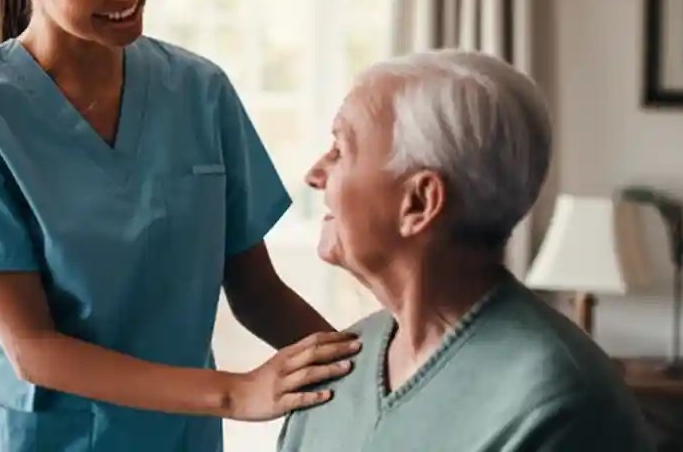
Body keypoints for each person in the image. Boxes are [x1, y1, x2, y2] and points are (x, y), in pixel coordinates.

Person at [0, 0, 359, 452]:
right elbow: (33, 349)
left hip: (176, 437)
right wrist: (235, 392)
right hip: (39, 438)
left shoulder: (200, 92)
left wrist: (378, 378)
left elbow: (256, 290)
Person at [278, 50, 654, 452]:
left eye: (339, 149)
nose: (314, 175)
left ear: (420, 203)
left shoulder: (560, 403)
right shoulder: (334, 368)